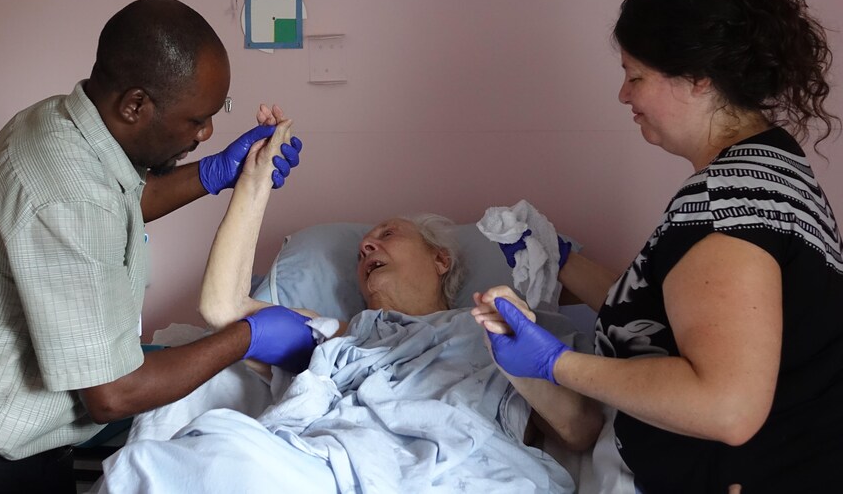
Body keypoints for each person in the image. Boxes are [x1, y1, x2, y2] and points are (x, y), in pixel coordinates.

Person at [0, 0, 315, 493]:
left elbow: (124, 201)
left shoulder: (61, 123)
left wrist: (219, 171)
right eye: (197, 119)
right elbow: (112, 393)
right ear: (135, 105)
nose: (207, 131)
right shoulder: (65, 191)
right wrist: (249, 336)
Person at [472, 0, 843, 492]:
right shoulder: (764, 167)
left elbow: (727, 408)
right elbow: (678, 308)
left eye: (635, 76)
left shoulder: (729, 212)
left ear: (696, 79)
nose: (625, 95)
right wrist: (562, 259)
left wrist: (555, 364)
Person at [116, 122, 604, 494]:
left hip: (460, 474)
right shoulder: (350, 335)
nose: (367, 247)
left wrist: (522, 362)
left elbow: (579, 431)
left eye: (387, 235)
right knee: (148, 465)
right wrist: (253, 180)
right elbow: (223, 308)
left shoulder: (504, 329)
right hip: (325, 467)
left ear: (440, 259)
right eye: (361, 251)